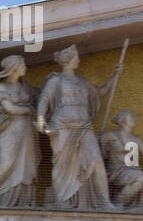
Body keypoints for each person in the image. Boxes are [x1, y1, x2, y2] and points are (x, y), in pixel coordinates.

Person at [36, 45, 118, 210]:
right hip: (62, 127)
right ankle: (63, 200)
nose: (78, 60)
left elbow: (100, 92)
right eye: (76, 57)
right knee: (62, 165)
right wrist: (40, 119)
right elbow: (44, 99)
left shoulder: (82, 81)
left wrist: (115, 76)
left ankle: (105, 201)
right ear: (67, 60)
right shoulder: (55, 80)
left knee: (96, 160)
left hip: (84, 126)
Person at [0, 55, 39, 207]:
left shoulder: (25, 86)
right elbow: (11, 109)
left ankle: (23, 200)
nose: (25, 67)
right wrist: (29, 110)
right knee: (6, 161)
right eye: (22, 65)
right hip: (10, 130)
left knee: (27, 163)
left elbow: (41, 96)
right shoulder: (1, 88)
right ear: (13, 68)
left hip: (27, 130)